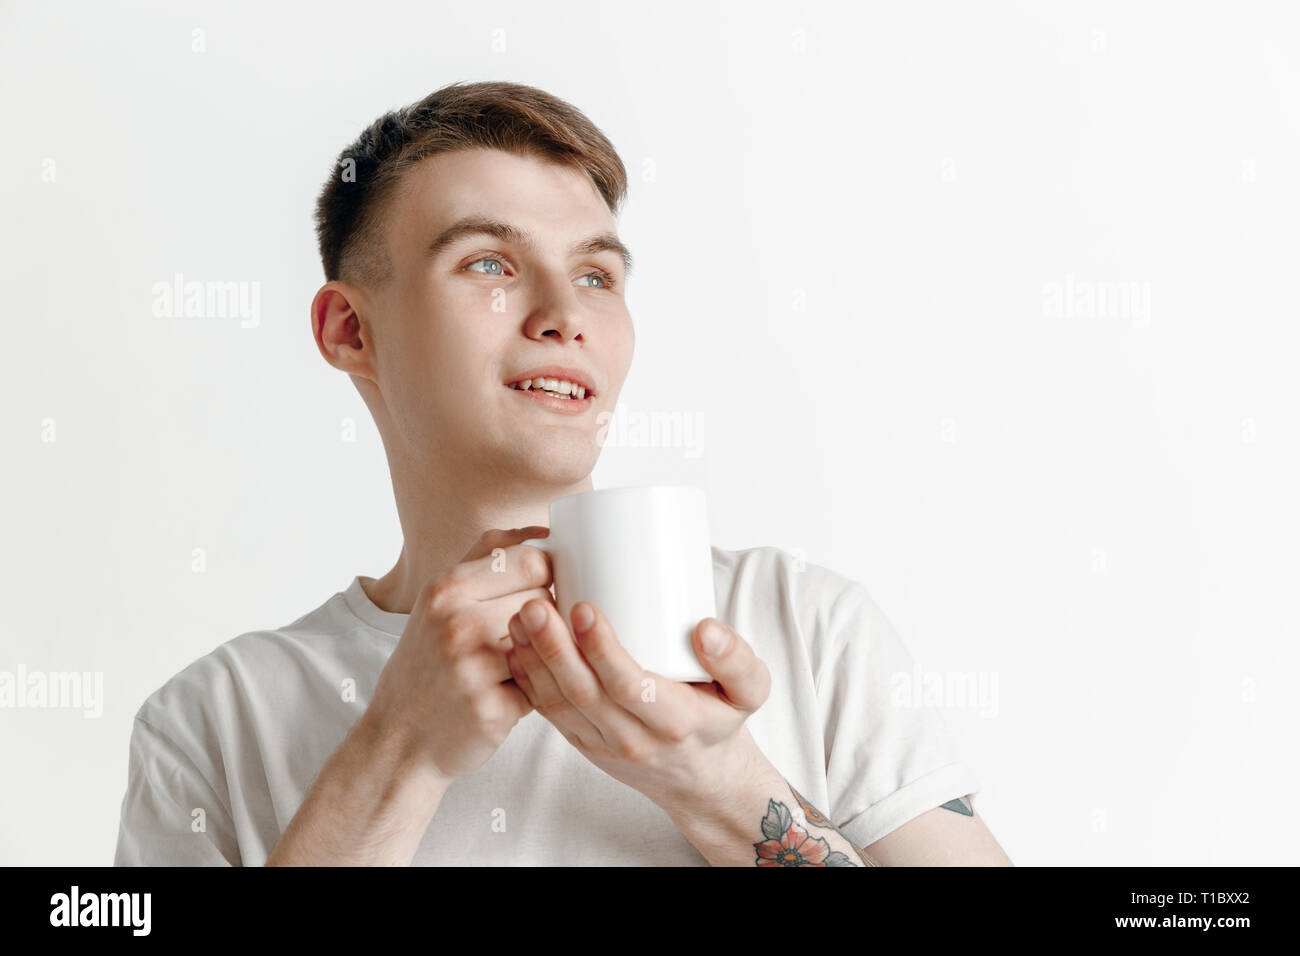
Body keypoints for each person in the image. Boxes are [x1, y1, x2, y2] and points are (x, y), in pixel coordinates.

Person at [113, 80, 1012, 867]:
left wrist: (720, 786)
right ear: (351, 331)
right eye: (491, 264)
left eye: (596, 274)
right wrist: (400, 750)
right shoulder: (215, 720)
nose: (564, 314)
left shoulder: (808, 629)